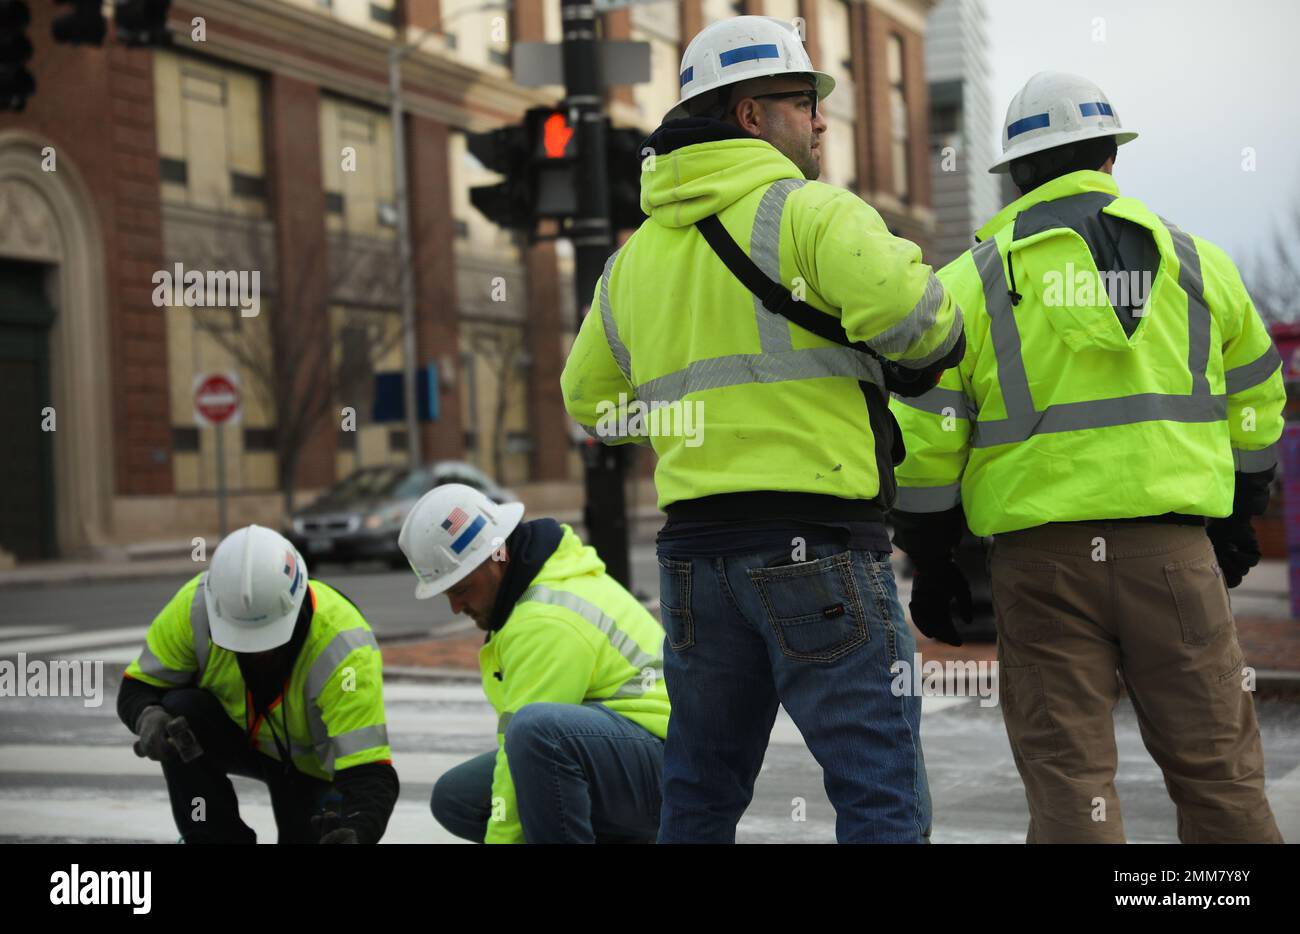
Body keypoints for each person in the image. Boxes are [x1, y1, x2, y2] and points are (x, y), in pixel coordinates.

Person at [560, 15, 963, 843]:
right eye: (804, 100)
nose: (819, 118)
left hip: (696, 560)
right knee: (878, 789)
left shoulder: (632, 261)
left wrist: (690, 425)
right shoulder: (810, 212)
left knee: (699, 793)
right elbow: (920, 321)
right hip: (817, 545)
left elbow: (588, 400)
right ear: (751, 115)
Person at [889, 71, 1285, 843]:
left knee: (1071, 784)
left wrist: (931, 557)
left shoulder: (967, 282)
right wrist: (1243, 511)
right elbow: (1257, 393)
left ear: (1019, 173)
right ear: (1110, 157)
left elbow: (929, 432)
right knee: (1219, 772)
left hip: (1040, 565)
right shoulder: (1197, 263)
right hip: (1175, 554)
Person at [400, 484, 668, 844]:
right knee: (458, 797)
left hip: (670, 768)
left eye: (460, 589)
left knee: (536, 732)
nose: (455, 607)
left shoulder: (544, 620)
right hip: (632, 754)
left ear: (495, 557)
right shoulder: (537, 582)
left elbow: (520, 751)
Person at [119, 524, 398, 843]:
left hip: (313, 770)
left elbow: (370, 771)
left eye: (266, 640)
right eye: (240, 639)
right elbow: (137, 687)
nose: (254, 653)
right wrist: (147, 715)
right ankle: (212, 836)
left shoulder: (344, 647)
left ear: (297, 609)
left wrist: (358, 830)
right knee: (180, 712)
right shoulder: (194, 608)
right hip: (238, 737)